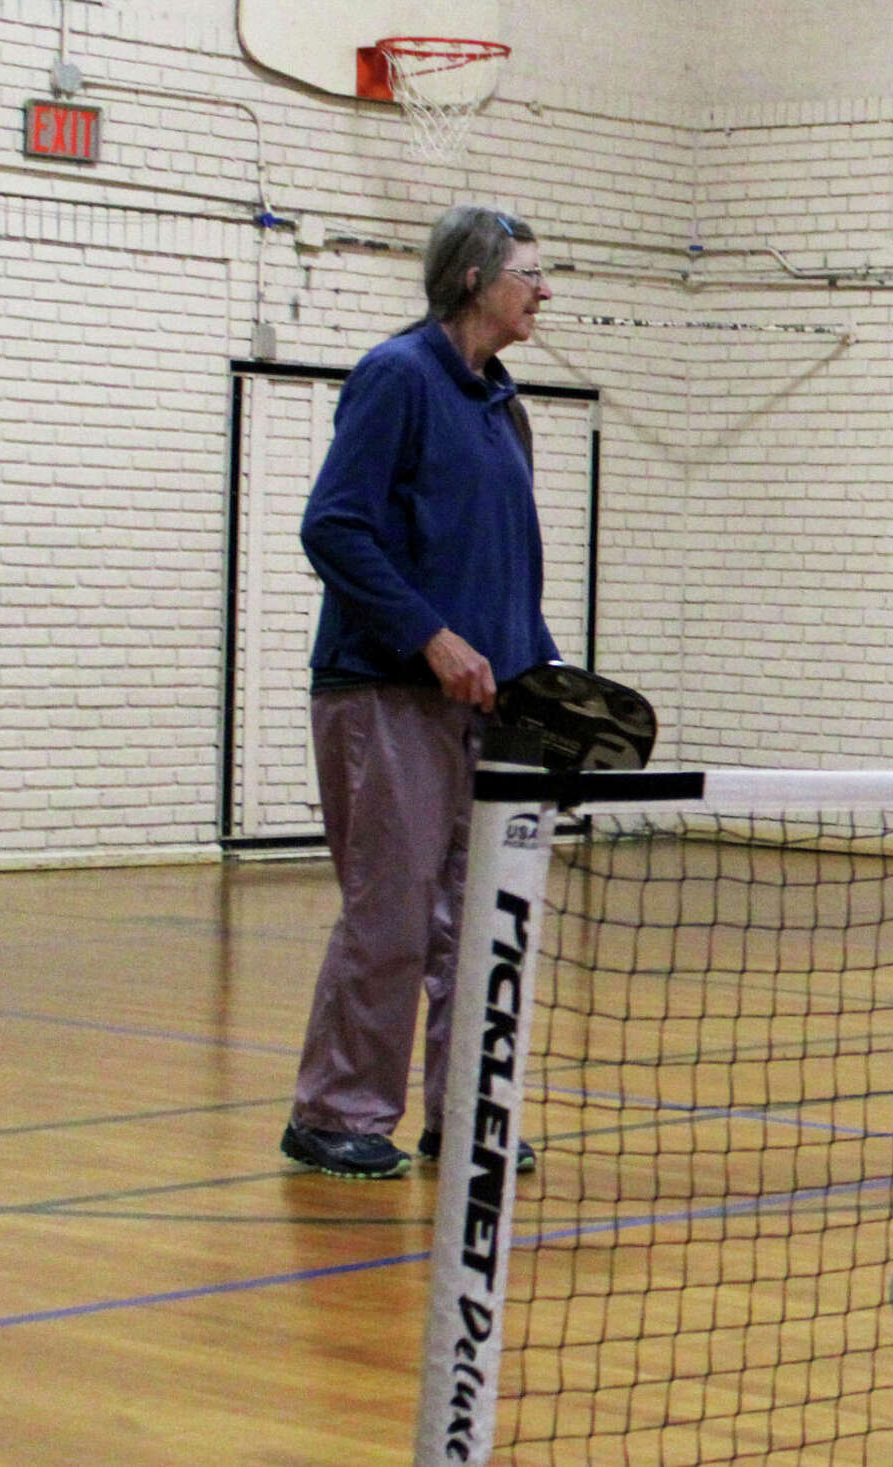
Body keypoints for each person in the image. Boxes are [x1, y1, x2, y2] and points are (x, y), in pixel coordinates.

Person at [279, 204, 558, 1179]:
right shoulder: (396, 377)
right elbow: (334, 529)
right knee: (394, 914)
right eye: (530, 271)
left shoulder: (503, 404)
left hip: (486, 709)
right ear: (476, 277)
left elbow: (506, 565)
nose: (545, 290)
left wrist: (543, 673)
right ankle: (335, 1113)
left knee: (481, 918)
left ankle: (464, 1114)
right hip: (387, 694)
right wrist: (430, 638)